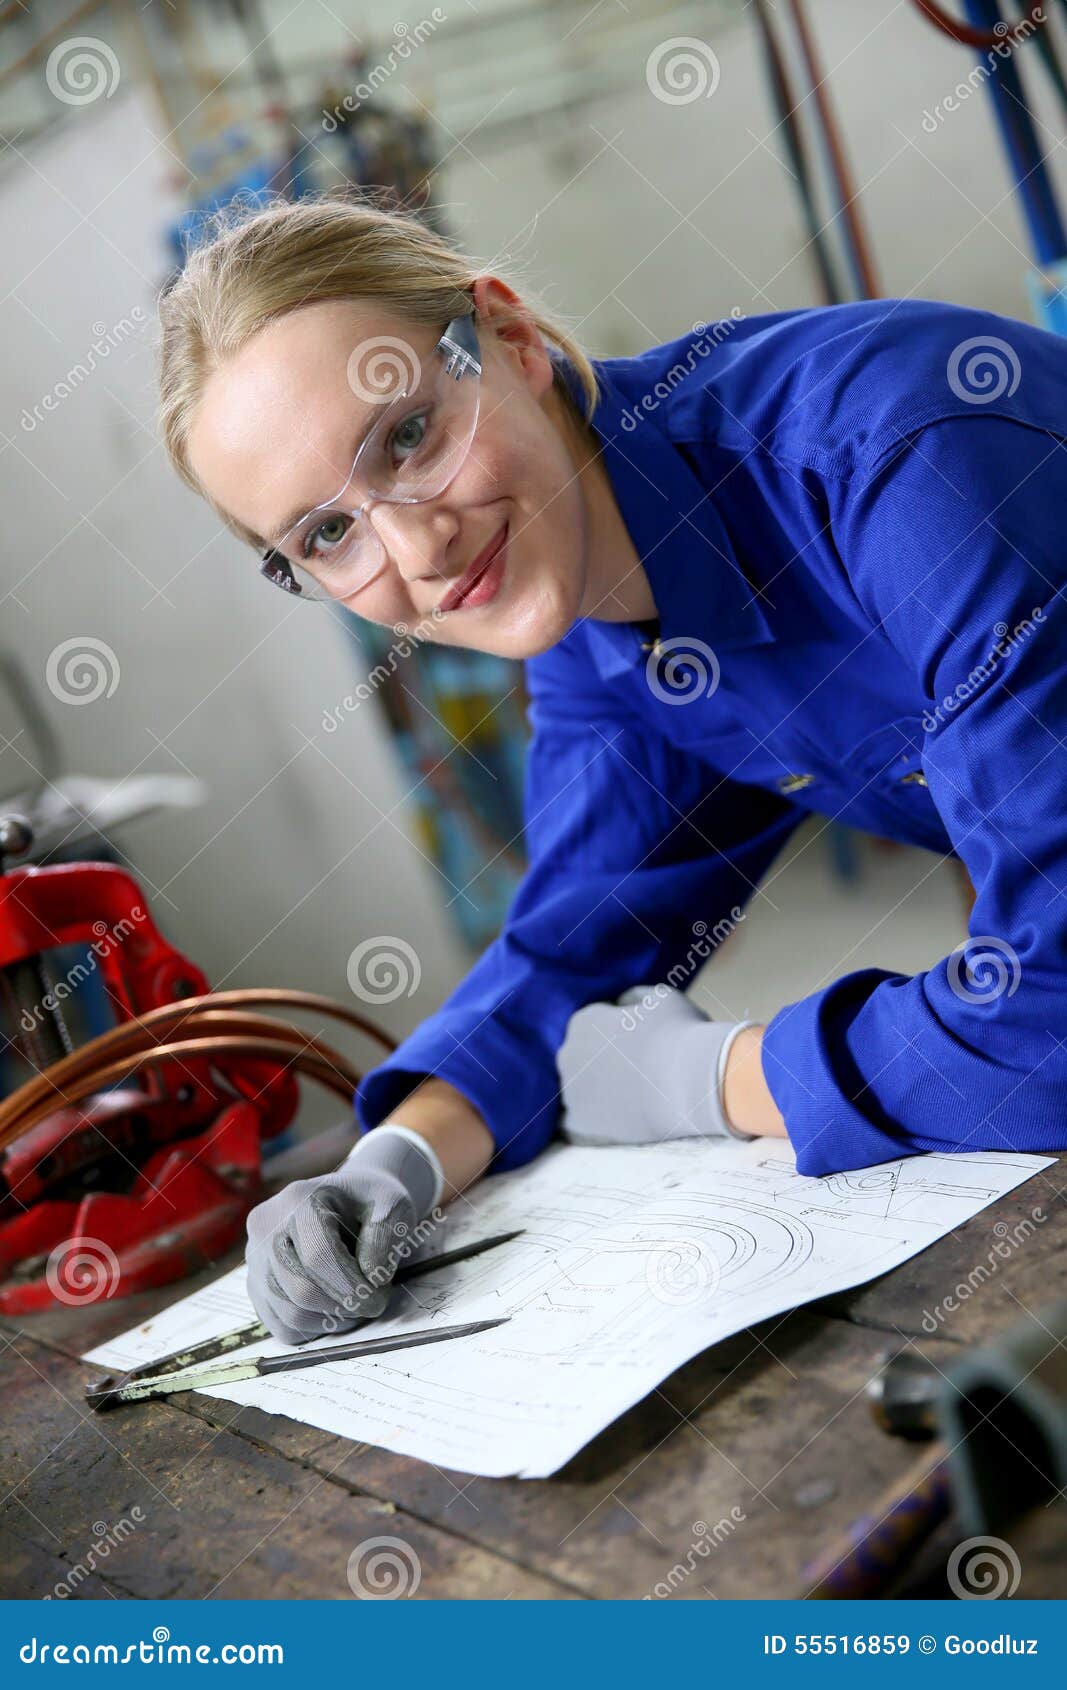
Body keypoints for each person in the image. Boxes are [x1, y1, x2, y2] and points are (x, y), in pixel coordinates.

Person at [157, 191, 1067, 1343]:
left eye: (406, 438)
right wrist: (396, 1163)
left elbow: (1053, 1011)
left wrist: (725, 1079)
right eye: (326, 535)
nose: (417, 547)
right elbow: (569, 957)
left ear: (512, 337)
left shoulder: (900, 462)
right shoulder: (602, 640)